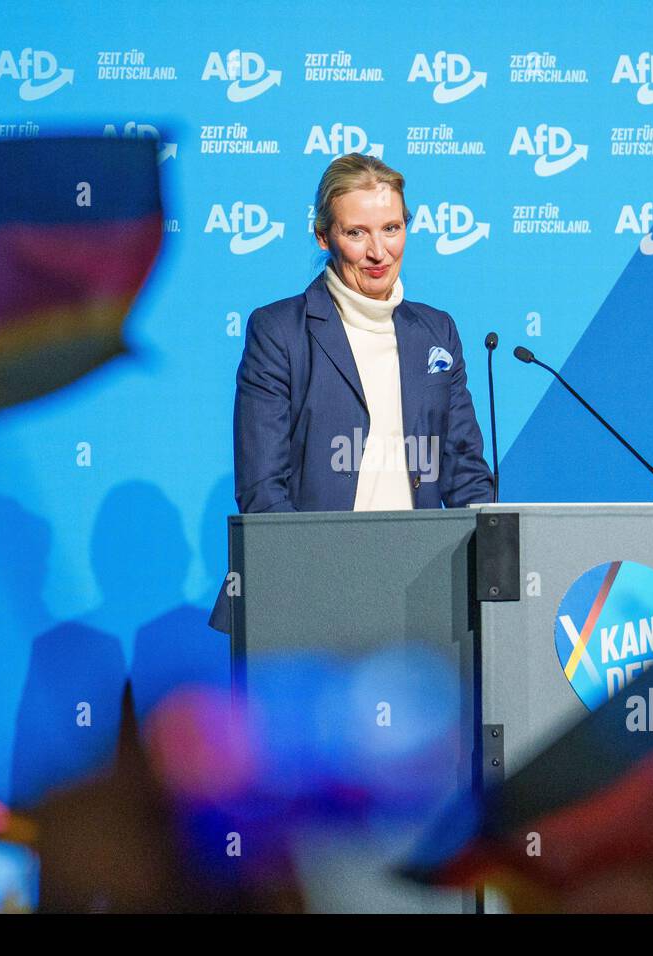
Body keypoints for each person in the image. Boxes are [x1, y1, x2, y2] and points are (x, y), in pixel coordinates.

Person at [209, 153, 494, 631]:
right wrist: (333, 585)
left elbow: (465, 475)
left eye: (391, 228)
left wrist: (489, 570)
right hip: (306, 597)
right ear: (324, 236)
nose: (379, 251)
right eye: (356, 232)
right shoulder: (279, 331)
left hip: (421, 597)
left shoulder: (436, 331)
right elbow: (262, 491)